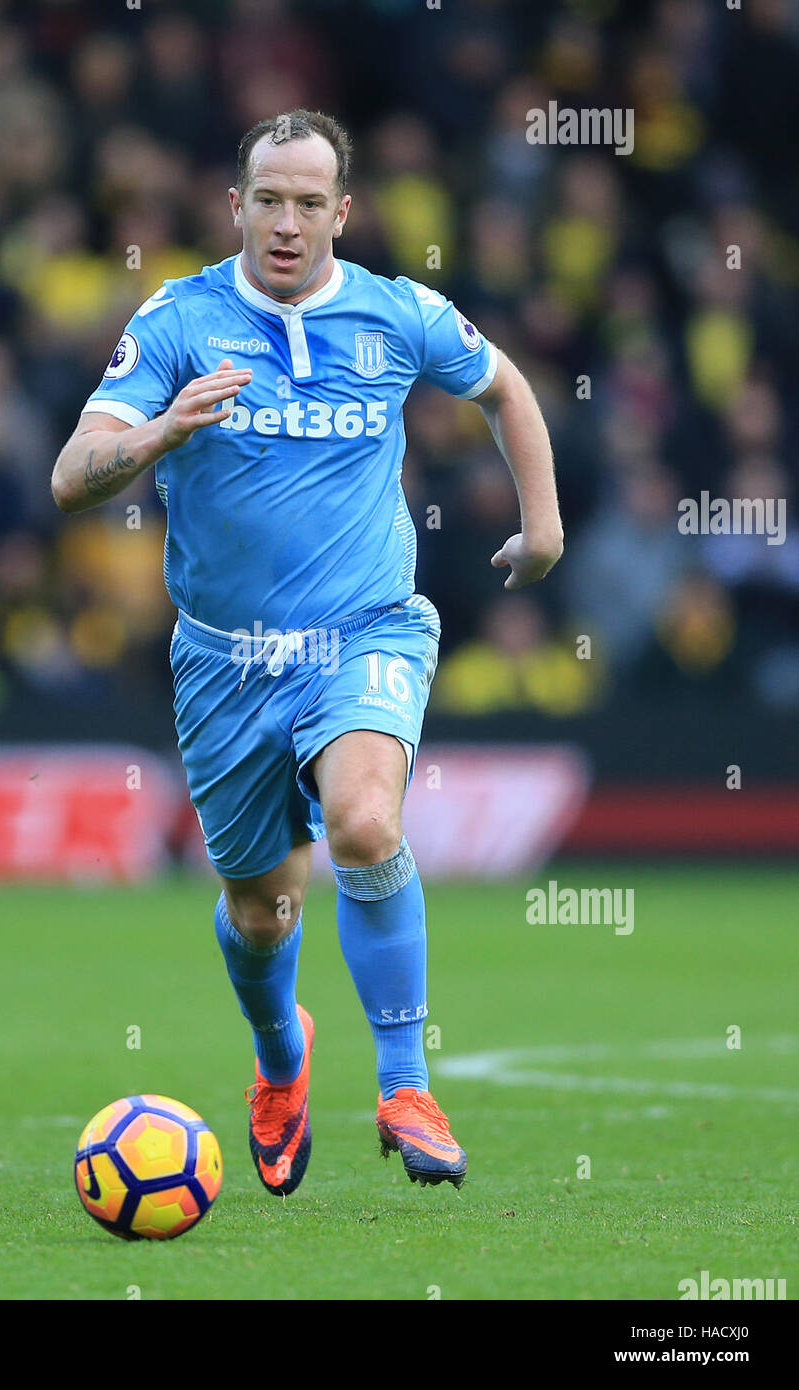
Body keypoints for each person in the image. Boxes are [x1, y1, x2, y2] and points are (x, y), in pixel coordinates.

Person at [51, 110, 563, 1196]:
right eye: (266, 201)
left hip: (364, 629)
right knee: (257, 905)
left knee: (367, 822)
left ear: (343, 210)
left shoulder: (394, 312)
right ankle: (281, 1058)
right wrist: (157, 434)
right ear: (236, 207)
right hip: (224, 661)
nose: (286, 223)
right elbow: (70, 474)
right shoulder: (180, 320)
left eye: (307, 203)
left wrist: (545, 520)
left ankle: (403, 1082)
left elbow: (505, 386)